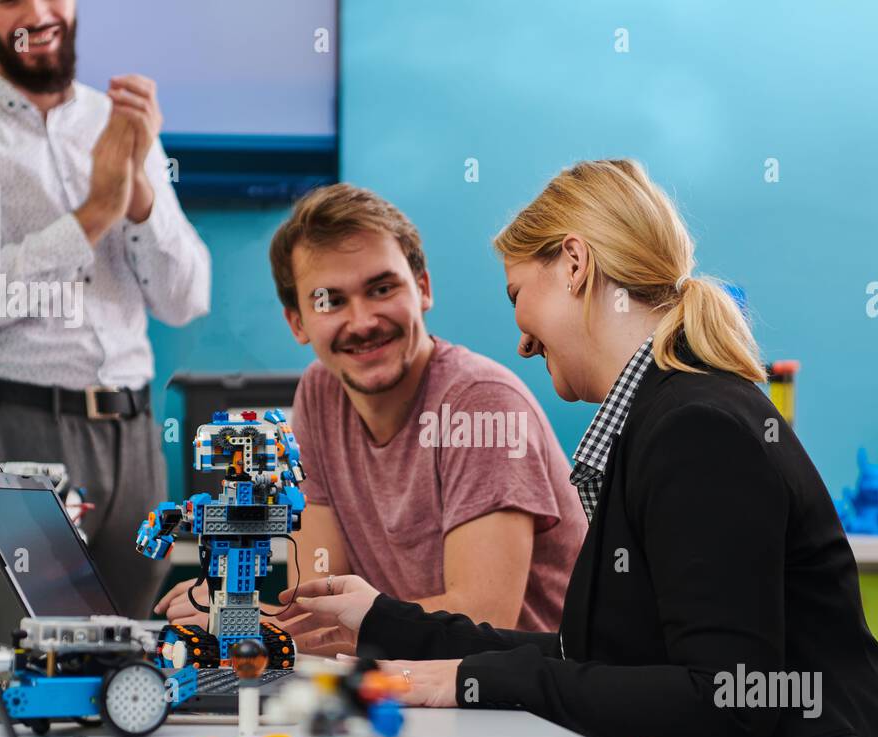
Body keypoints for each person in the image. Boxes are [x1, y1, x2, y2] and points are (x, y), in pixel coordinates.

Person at [269, 159, 878, 737]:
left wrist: (469, 679)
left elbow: (725, 703)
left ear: (575, 265)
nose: (522, 339)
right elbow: (598, 661)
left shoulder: (695, 429)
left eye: (517, 294)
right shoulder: (664, 417)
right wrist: (382, 620)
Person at [0, 0, 211, 618]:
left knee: (128, 667)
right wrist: (92, 217)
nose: (37, 12)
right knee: (22, 664)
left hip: (135, 442)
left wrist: (138, 199)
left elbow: (186, 298)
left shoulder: (117, 120)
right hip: (14, 428)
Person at [156, 184, 586, 640]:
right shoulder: (320, 394)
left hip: (525, 700)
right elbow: (320, 601)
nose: (361, 322)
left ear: (422, 288)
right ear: (297, 322)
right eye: (330, 301)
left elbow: (480, 621)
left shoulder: (479, 403)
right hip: (412, 680)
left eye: (381, 289)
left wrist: (243, 623)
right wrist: (245, 621)